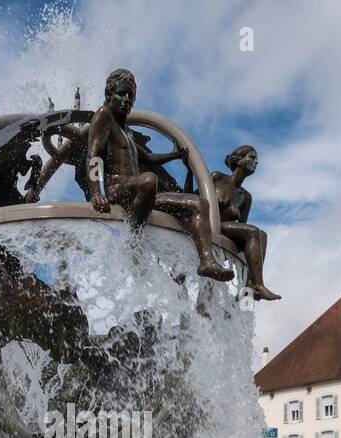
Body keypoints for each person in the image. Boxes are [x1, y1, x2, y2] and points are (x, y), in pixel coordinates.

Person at [87, 68, 234, 283]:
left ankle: (206, 262)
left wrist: (173, 155)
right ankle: (134, 239)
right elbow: (93, 154)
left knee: (199, 203)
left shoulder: (126, 130)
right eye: (121, 93)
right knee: (149, 180)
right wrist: (95, 192)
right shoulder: (103, 116)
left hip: (141, 193)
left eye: (131, 96)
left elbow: (147, 159)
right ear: (109, 95)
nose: (127, 99)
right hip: (119, 191)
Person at [212, 145, 280, 300]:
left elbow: (243, 226)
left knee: (261, 235)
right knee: (254, 231)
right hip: (210, 224)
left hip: (226, 232)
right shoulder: (217, 177)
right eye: (252, 157)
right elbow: (198, 195)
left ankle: (250, 287)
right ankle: (258, 285)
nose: (256, 162)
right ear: (238, 159)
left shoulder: (246, 197)